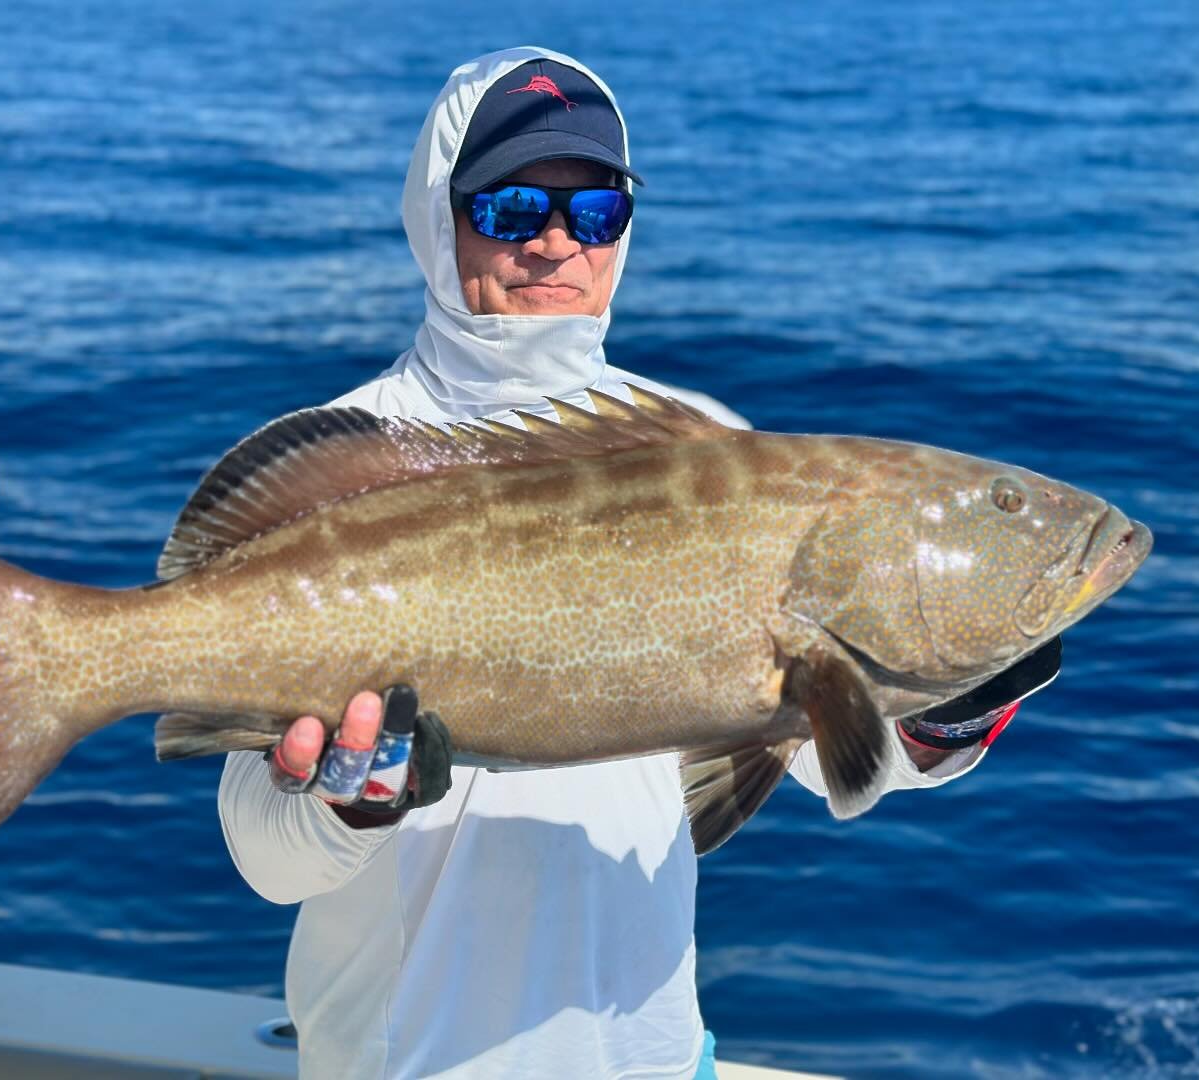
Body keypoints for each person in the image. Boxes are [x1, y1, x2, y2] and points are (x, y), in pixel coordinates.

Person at [217, 46, 1038, 1079]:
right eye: (515, 208)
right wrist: (347, 804)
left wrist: (956, 700)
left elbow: (830, 743)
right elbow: (265, 854)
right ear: (440, 214)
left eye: (596, 211)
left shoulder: (714, 454)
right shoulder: (344, 461)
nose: (558, 243)